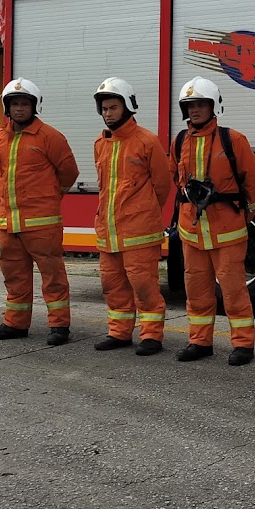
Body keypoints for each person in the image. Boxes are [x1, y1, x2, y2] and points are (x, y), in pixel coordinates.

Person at [170, 76, 255, 365]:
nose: (194, 110)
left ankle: (243, 344)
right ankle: (200, 341)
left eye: (200, 104)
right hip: (192, 231)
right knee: (196, 291)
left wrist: (247, 213)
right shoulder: (181, 140)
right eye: (190, 105)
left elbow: (252, 179)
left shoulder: (232, 139)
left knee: (234, 291)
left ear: (214, 107)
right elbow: (175, 177)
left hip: (227, 231)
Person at [0, 78, 79, 346]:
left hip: (42, 224)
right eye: (14, 104)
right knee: (14, 277)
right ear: (7, 107)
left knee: (53, 277)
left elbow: (69, 172)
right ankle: (15, 324)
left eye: (24, 104)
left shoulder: (50, 137)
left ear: (34, 106)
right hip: (9, 223)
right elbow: (0, 172)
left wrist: (51, 196)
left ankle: (59, 326)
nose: (19, 109)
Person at [92, 76, 172, 356]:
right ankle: (119, 332)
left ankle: (151, 336)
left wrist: (144, 212)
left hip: (139, 232)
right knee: (112, 285)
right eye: (104, 108)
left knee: (144, 286)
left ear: (127, 107)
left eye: (113, 107)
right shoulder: (100, 144)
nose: (108, 113)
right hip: (109, 231)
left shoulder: (147, 141)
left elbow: (162, 185)